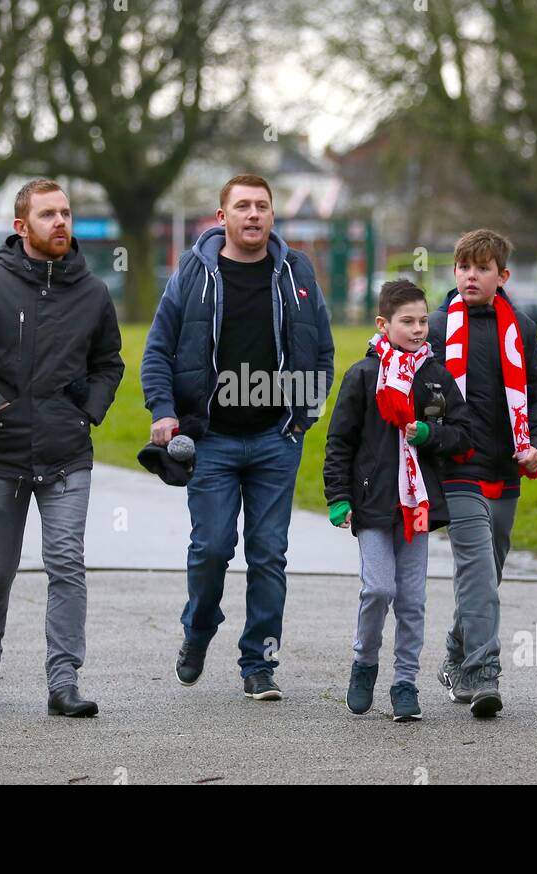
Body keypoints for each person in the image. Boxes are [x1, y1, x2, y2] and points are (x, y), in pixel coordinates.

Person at [140, 173, 335, 701]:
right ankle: (197, 632)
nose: (254, 215)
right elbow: (158, 348)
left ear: (273, 216)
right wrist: (163, 409)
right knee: (211, 548)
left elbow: (321, 350)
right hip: (211, 440)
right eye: (243, 206)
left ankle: (259, 664)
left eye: (263, 207)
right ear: (221, 217)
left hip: (277, 439)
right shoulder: (194, 273)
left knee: (269, 553)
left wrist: (302, 418)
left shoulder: (296, 272)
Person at [0, 179, 124, 718]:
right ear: (21, 227)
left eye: (65, 213)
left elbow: (109, 363)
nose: (60, 222)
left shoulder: (93, 294)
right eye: (48, 215)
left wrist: (87, 410)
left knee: (66, 563)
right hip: (0, 455)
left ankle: (63, 681)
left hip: (68, 455)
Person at [324, 279, 472, 721]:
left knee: (412, 600)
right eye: (407, 322)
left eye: (424, 321)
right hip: (371, 507)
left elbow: (464, 435)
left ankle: (405, 683)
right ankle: (364, 663)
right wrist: (338, 496)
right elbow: (339, 442)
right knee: (378, 589)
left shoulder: (437, 377)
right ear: (383, 324)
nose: (418, 330)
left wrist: (432, 435)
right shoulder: (363, 375)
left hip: (419, 507)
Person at [427, 228, 537, 718]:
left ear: (502, 276)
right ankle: (484, 673)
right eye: (463, 267)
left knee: (489, 572)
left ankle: (456, 655)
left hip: (506, 470)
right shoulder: (435, 328)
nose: (470, 275)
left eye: (482, 268)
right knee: (476, 571)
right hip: (457, 470)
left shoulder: (520, 327)